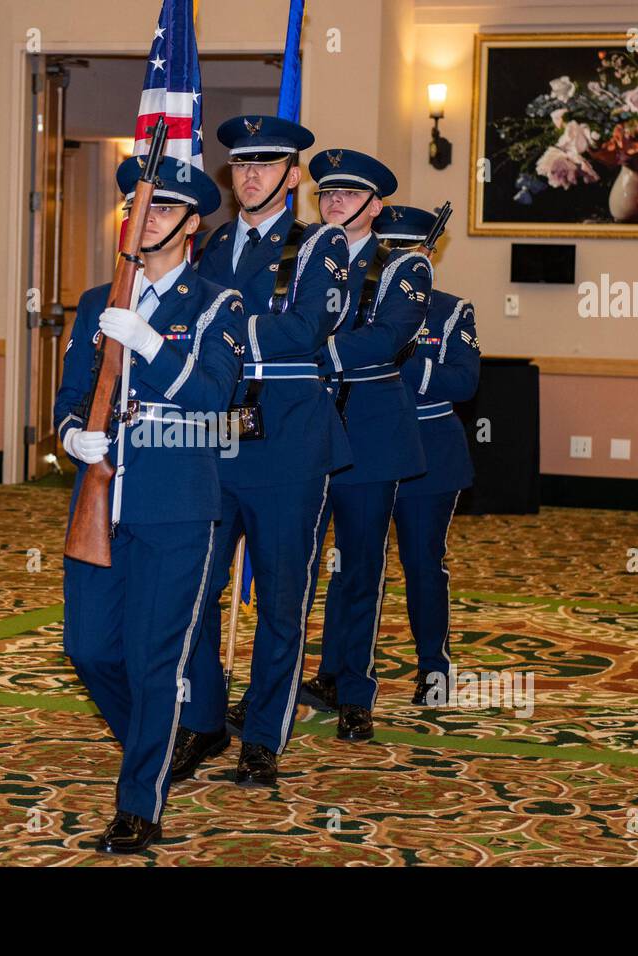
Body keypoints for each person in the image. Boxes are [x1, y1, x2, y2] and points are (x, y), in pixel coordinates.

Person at [56, 155, 246, 853]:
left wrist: (148, 344)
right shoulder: (94, 300)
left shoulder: (216, 304)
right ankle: (158, 737)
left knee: (153, 660)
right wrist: (73, 432)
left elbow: (213, 396)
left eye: (163, 211)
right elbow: (73, 390)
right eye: (138, 209)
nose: (145, 220)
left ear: (192, 224)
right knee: (89, 648)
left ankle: (140, 802)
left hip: (177, 507)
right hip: (100, 502)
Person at [170, 114, 351, 787]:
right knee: (193, 588)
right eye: (241, 166)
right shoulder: (213, 246)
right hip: (217, 436)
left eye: (265, 166)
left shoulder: (316, 246)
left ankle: (266, 734)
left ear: (291, 175)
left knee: (280, 598)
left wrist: (221, 327)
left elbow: (305, 329)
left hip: (288, 443)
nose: (249, 176)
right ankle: (208, 720)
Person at [294, 152, 431, 741]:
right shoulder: (297, 259)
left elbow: (388, 335)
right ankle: (293, 683)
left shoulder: (404, 268)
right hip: (301, 429)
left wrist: (306, 353)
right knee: (292, 566)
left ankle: (353, 688)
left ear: (376, 206)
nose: (335, 203)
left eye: (350, 196)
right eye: (327, 194)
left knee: (359, 568)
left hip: (369, 435)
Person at [378, 205, 481, 706]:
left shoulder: (451, 310)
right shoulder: (356, 307)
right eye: (388, 249)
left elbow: (465, 382)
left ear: (428, 254)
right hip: (368, 450)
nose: (396, 259)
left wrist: (409, 362)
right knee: (355, 567)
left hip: (429, 452)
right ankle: (341, 673)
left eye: (407, 250)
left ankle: (433, 669)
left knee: (422, 563)